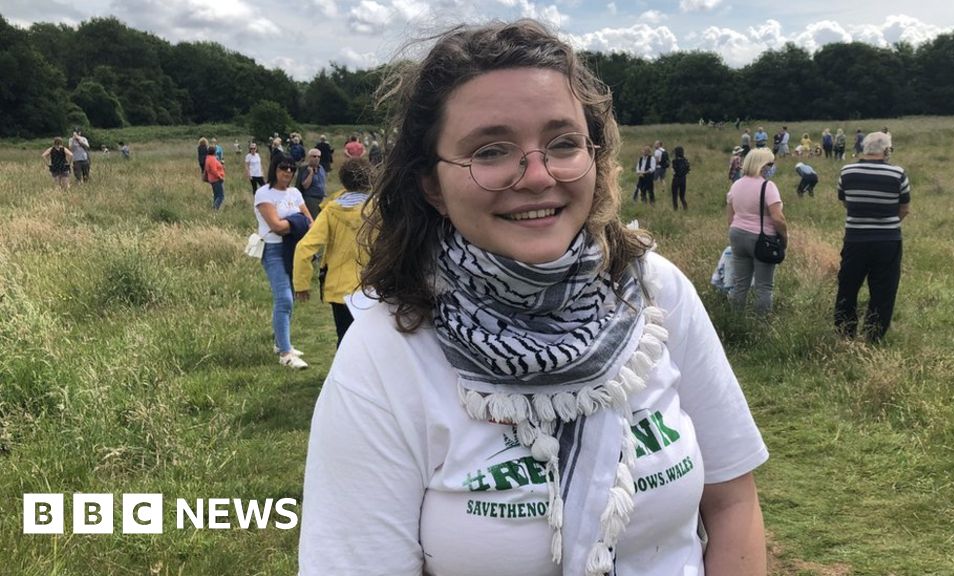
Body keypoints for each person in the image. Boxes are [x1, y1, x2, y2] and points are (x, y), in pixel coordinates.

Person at [298, 19, 768, 576]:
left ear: (594, 156)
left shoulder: (655, 292)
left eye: (563, 143)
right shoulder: (387, 352)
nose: (538, 175)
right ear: (431, 185)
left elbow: (733, 501)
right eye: (491, 150)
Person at [834, 131, 910, 342]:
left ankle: (845, 333)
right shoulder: (898, 174)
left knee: (848, 286)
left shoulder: (847, 171)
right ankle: (873, 336)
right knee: (883, 290)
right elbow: (904, 209)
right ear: (886, 150)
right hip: (888, 241)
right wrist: (887, 223)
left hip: (855, 239)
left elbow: (846, 202)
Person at [293, 157, 372, 347]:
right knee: (370, 342)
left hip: (340, 288)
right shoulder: (381, 209)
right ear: (371, 180)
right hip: (374, 285)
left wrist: (301, 284)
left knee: (344, 338)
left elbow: (304, 247)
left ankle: (343, 375)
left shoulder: (331, 210)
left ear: (343, 181)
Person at [254, 155, 313, 369]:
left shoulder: (295, 193)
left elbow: (310, 221)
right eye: (283, 168)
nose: (287, 172)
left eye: (291, 168)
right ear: (274, 169)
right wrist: (297, 222)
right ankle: (286, 354)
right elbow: (276, 226)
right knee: (285, 298)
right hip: (273, 250)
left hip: (294, 249)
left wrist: (294, 223)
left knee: (288, 298)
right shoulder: (263, 193)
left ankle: (281, 343)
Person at [726, 148, 788, 315]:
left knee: (740, 284)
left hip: (737, 234)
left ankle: (735, 318)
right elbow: (778, 218)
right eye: (771, 163)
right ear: (763, 165)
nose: (773, 167)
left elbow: (730, 217)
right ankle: (761, 325)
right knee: (764, 287)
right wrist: (784, 238)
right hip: (762, 239)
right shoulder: (768, 187)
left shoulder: (736, 185)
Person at [297, 148, 327, 219]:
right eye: (314, 156)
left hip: (321, 198)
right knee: (313, 220)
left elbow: (323, 181)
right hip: (311, 199)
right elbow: (305, 186)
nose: (317, 158)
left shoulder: (321, 168)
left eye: (318, 157)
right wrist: (311, 173)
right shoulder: (306, 169)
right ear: (309, 157)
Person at [670, 145, 690, 210]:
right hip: (683, 179)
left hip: (676, 179)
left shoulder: (674, 161)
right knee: (682, 196)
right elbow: (688, 170)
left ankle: (675, 209)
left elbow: (673, 172)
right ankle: (685, 207)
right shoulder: (685, 161)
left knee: (674, 196)